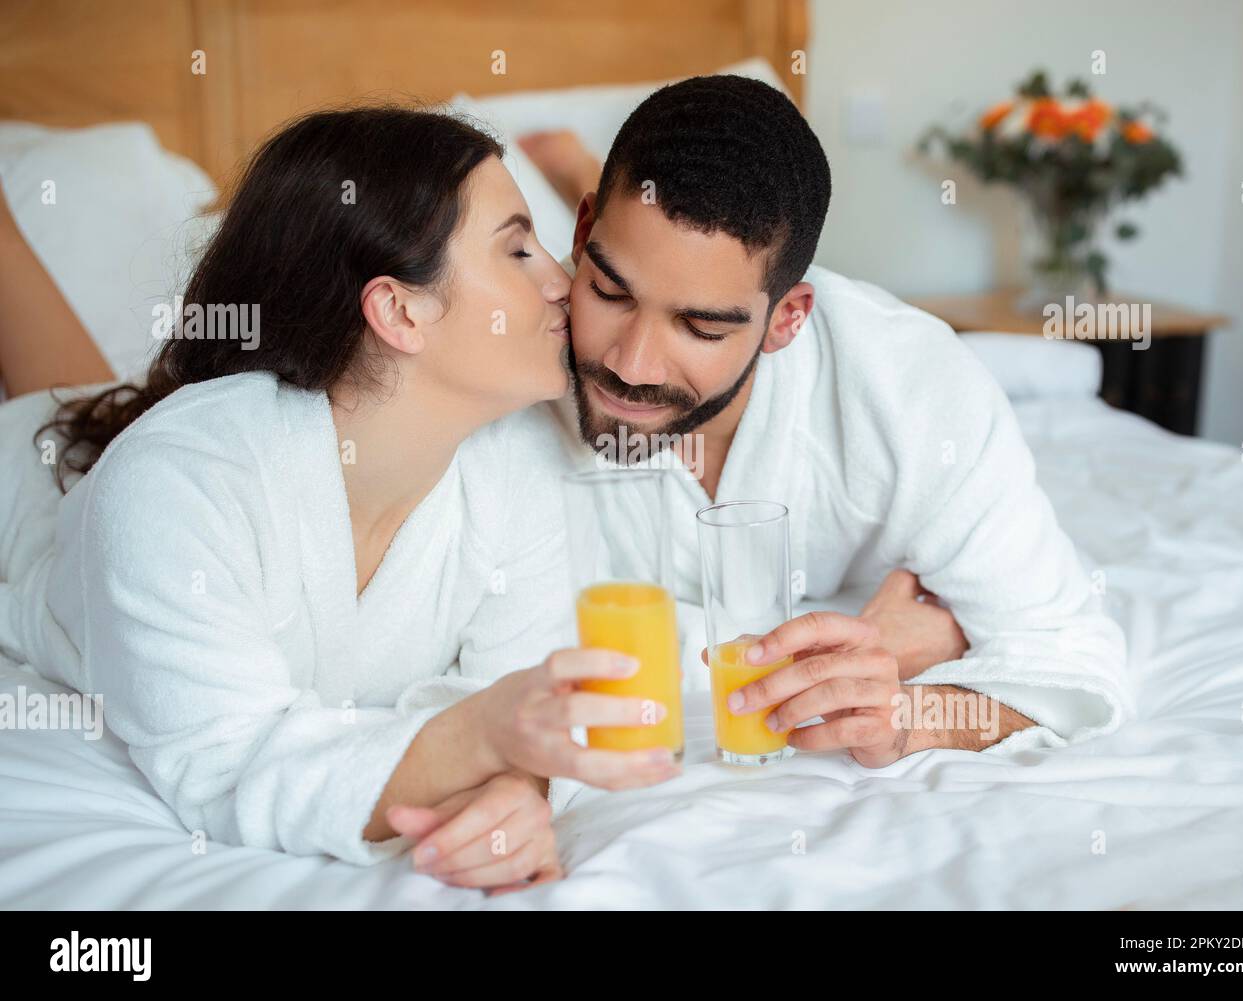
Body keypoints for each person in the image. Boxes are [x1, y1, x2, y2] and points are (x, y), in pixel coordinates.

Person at [0, 106, 682, 891]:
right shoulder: (177, 486)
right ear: (397, 310)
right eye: (518, 249)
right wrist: (485, 737)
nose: (563, 284)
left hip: (129, 442)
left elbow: (512, 696)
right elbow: (229, 764)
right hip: (39, 486)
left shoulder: (514, 457)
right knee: (51, 420)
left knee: (89, 396)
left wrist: (511, 793)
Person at [520, 74, 1130, 763]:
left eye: (699, 327)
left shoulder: (913, 386)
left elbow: (1076, 660)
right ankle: (573, 168)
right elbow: (489, 648)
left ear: (788, 319)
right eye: (608, 291)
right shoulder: (504, 360)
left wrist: (910, 714)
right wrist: (881, 640)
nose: (631, 364)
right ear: (581, 232)